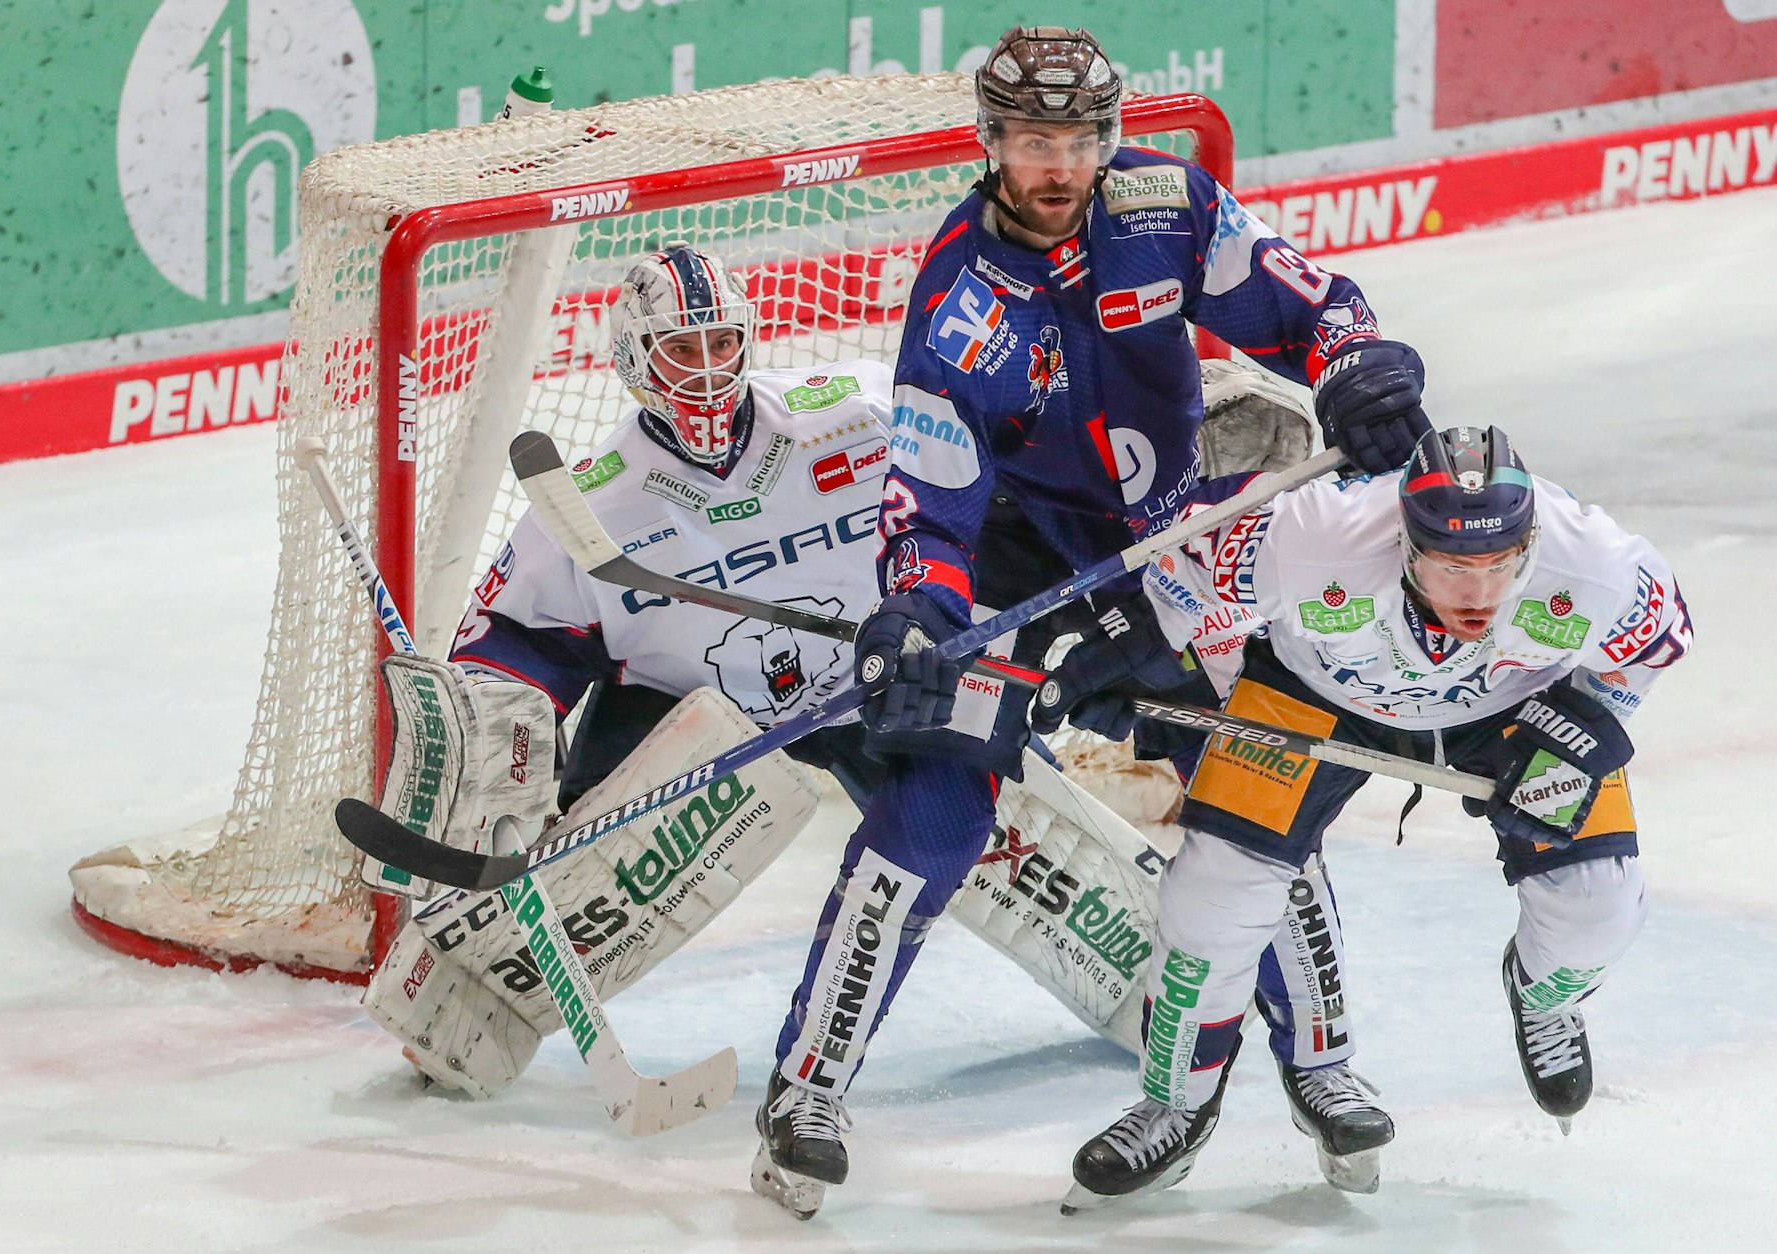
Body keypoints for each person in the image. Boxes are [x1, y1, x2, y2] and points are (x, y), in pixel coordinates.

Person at [356, 244, 1319, 1132]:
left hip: (878, 678)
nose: (703, 369)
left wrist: (1173, 421)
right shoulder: (592, 497)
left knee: (984, 825)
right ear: (632, 360)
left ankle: (1159, 981)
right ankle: (464, 999)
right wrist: (499, 730)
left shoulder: (850, 408)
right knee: (603, 862)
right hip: (693, 712)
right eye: (677, 351)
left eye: (720, 342)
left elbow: (996, 441)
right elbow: (519, 640)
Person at [755, 23, 1432, 1210]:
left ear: (1106, 138)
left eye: (1073, 137)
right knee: (931, 813)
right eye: (1028, 138)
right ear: (991, 142)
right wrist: (920, 604)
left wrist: (1357, 365)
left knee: (1258, 789)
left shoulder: (1168, 206)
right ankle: (805, 1089)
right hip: (1019, 569)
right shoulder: (956, 297)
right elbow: (934, 484)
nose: (1053, 163)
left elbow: (1309, 305)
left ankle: (1320, 1065)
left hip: (1175, 545)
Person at [1058, 425, 1692, 1211]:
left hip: (1515, 706)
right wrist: (1158, 658)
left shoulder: (1592, 561)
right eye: (1453, 567)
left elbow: (1658, 641)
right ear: (1406, 542)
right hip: (1314, 694)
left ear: (1531, 540)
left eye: (1500, 565)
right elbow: (1184, 561)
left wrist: (1588, 724)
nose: (1479, 593)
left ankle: (1546, 997)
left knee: (1598, 906)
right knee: (1210, 901)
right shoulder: (1315, 533)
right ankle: (1177, 1101)